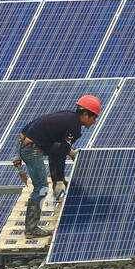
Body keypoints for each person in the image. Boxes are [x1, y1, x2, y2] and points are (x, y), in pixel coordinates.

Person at [15, 94, 100, 237]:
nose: (95, 121)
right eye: (93, 117)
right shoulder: (74, 128)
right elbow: (61, 153)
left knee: (60, 151)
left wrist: (70, 153)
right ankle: (31, 229)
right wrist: (60, 179)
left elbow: (59, 147)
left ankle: (56, 182)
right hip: (31, 148)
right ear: (85, 114)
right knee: (41, 187)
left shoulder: (69, 117)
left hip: (27, 142)